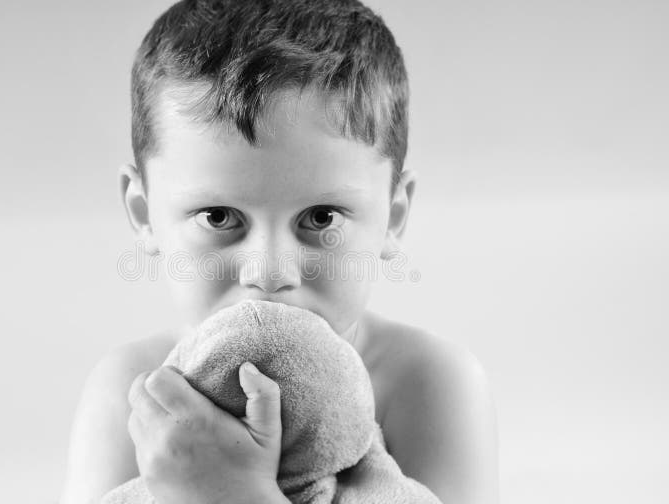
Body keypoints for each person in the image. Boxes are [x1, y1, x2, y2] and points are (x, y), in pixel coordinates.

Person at [61, 1, 498, 503]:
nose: (268, 273)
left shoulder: (429, 385)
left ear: (393, 216)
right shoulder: (131, 396)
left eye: (321, 218)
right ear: (144, 213)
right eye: (219, 217)